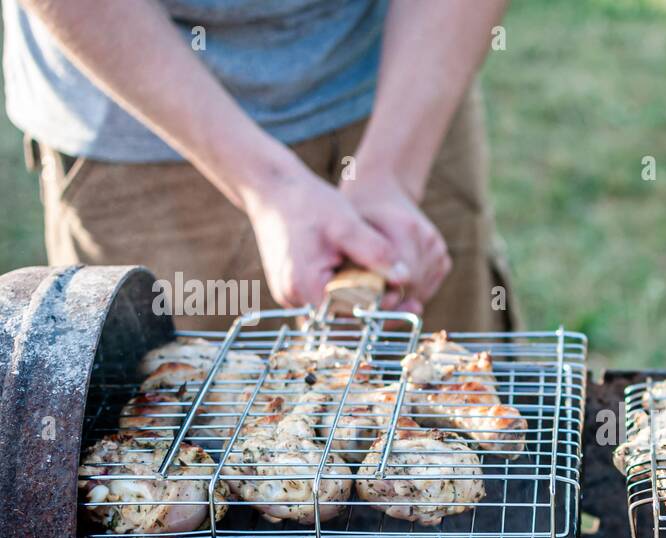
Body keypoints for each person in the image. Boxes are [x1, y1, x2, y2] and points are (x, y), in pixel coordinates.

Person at [2, 0, 517, 331]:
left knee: (461, 426)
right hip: (141, 122)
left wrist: (394, 174)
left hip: (408, 76)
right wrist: (267, 188)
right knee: (172, 454)